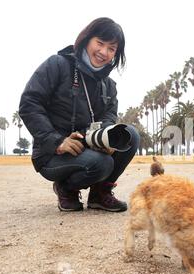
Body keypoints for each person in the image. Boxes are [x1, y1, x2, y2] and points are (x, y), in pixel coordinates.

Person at [19, 17, 140, 212]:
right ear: (87, 39)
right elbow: (29, 103)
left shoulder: (109, 85)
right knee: (101, 163)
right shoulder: (58, 64)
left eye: (111, 48)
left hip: (87, 146)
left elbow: (109, 116)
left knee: (130, 135)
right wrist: (57, 141)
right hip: (51, 153)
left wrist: (107, 139)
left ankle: (100, 194)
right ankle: (65, 189)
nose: (103, 52)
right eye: (100, 43)